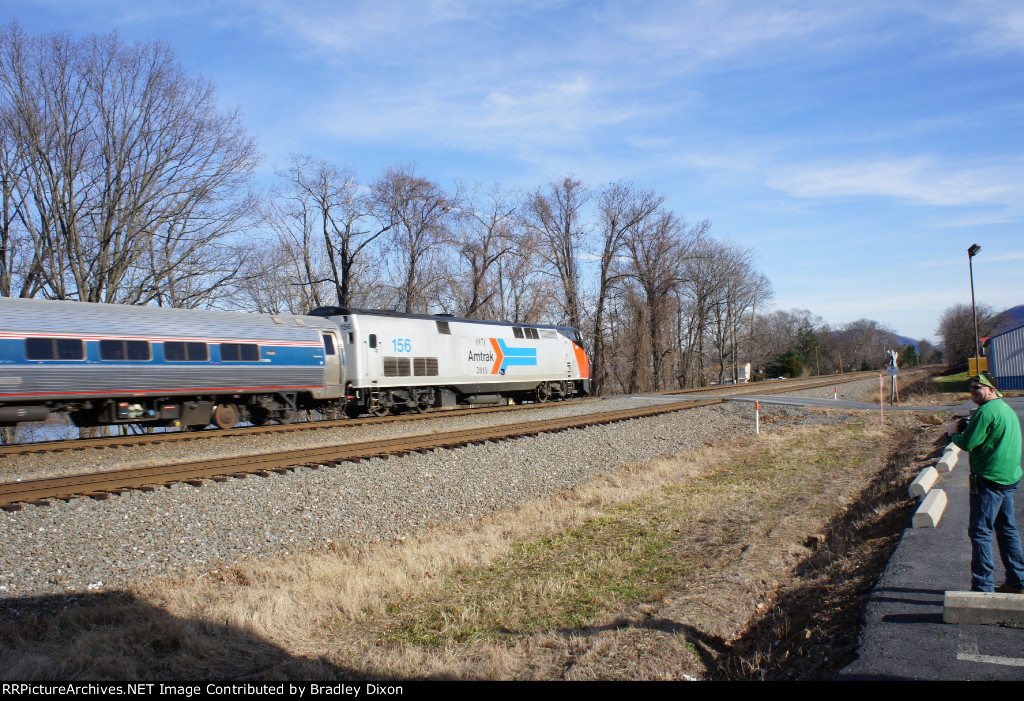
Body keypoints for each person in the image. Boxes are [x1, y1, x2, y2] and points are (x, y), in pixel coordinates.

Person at [946, 372, 1024, 593]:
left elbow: (969, 443)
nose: (972, 392)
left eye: (977, 387)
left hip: (989, 479)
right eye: (971, 388)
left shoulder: (986, 412)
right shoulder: (1005, 409)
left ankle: (982, 587)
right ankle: (1018, 581)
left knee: (980, 532)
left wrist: (952, 435)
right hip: (1008, 477)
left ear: (990, 390)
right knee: (1007, 529)